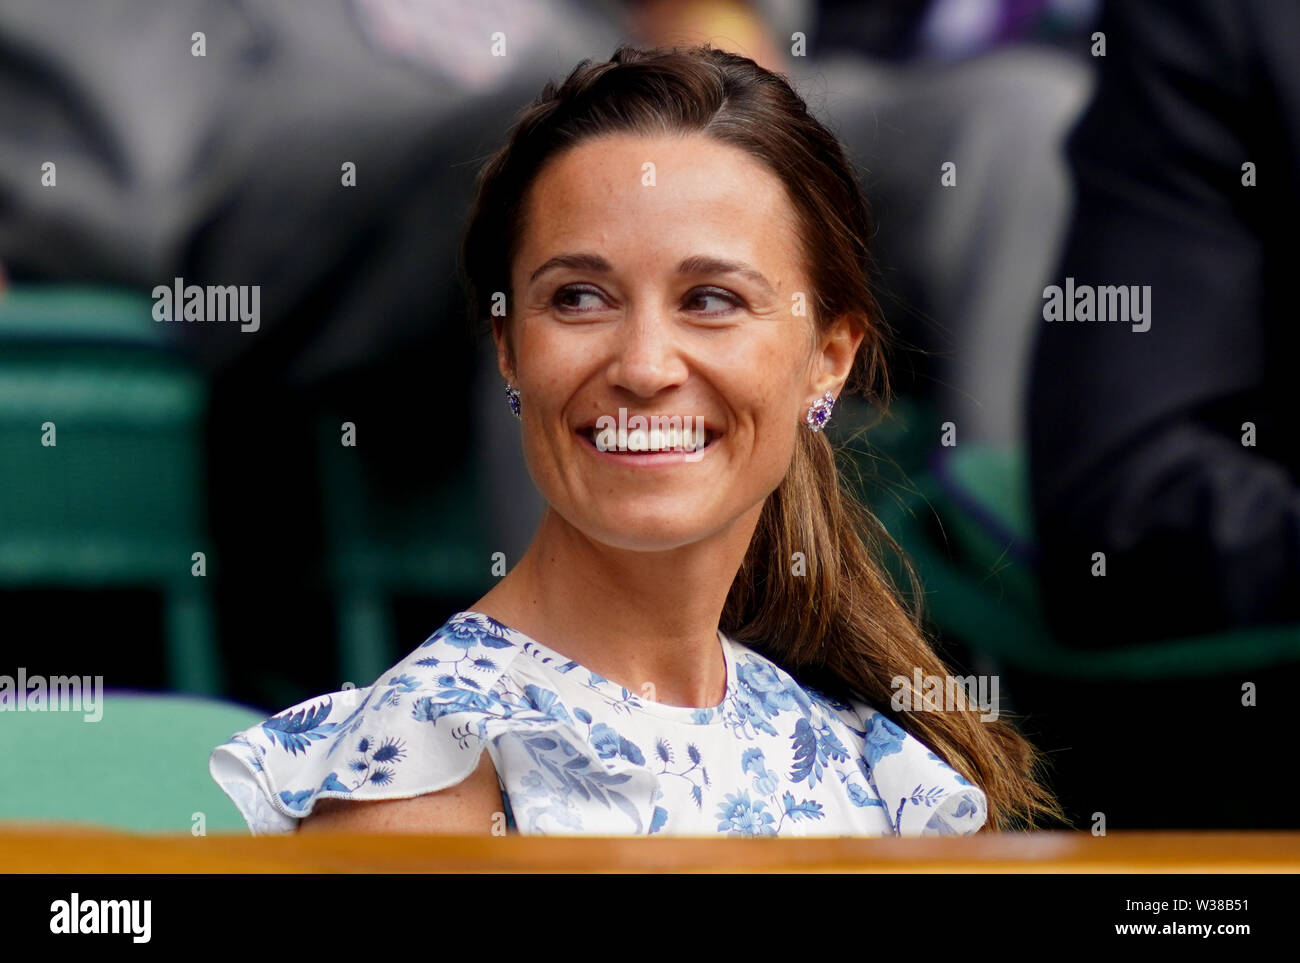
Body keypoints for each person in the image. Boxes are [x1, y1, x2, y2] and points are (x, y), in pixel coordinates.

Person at [210, 43, 1064, 836]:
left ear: (827, 361)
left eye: (711, 300)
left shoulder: (871, 761)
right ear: (509, 349)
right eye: (579, 298)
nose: (645, 365)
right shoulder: (428, 775)